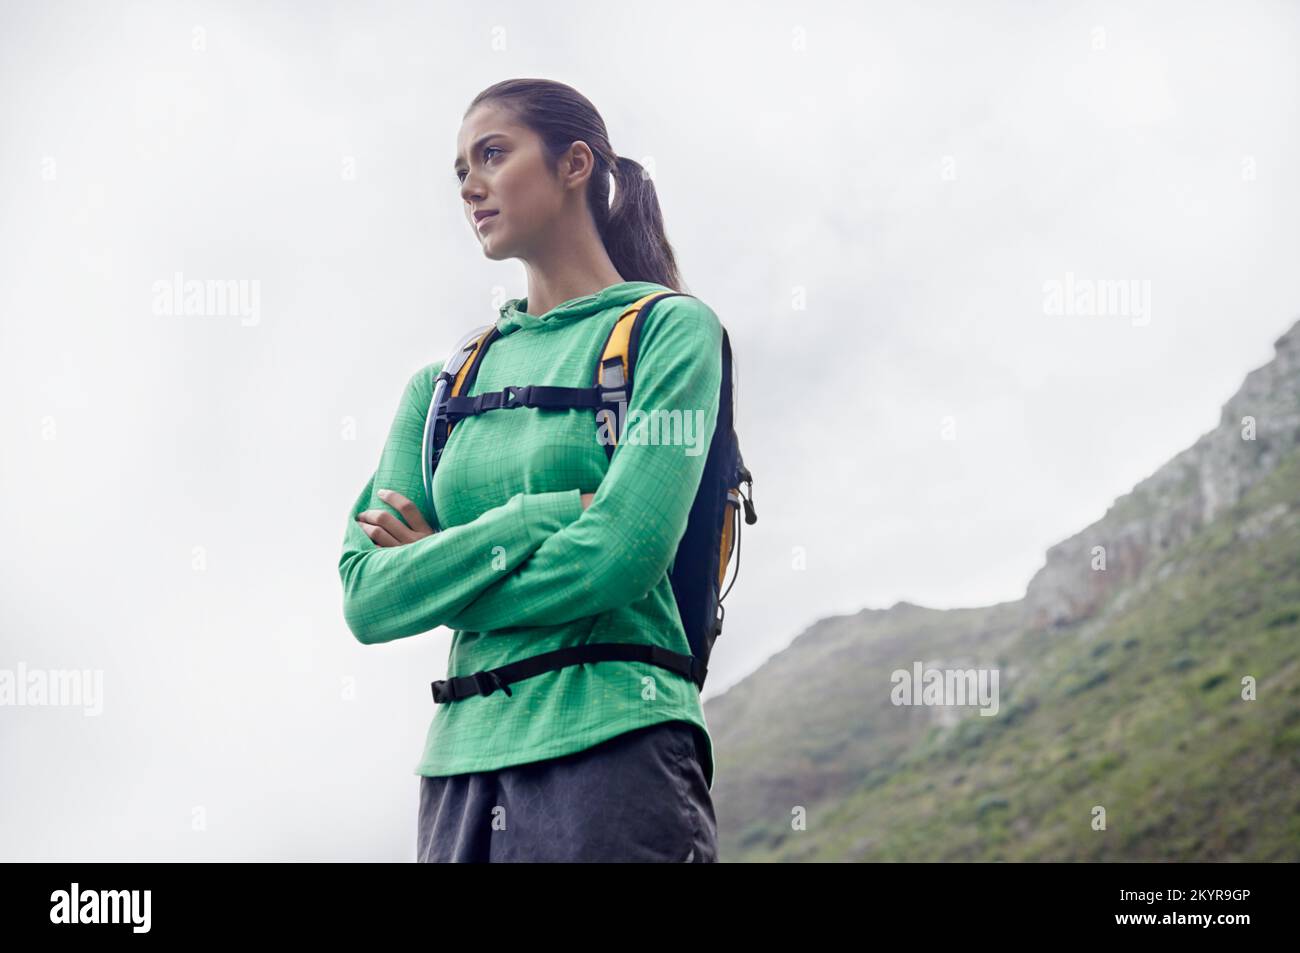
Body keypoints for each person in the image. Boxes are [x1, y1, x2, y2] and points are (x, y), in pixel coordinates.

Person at [337, 78, 723, 861]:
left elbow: (623, 555)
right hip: (457, 774)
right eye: (460, 172)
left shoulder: (670, 331)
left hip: (617, 747)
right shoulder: (441, 385)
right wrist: (538, 518)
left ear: (573, 163)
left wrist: (440, 566)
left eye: (492, 154)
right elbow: (368, 596)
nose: (471, 187)